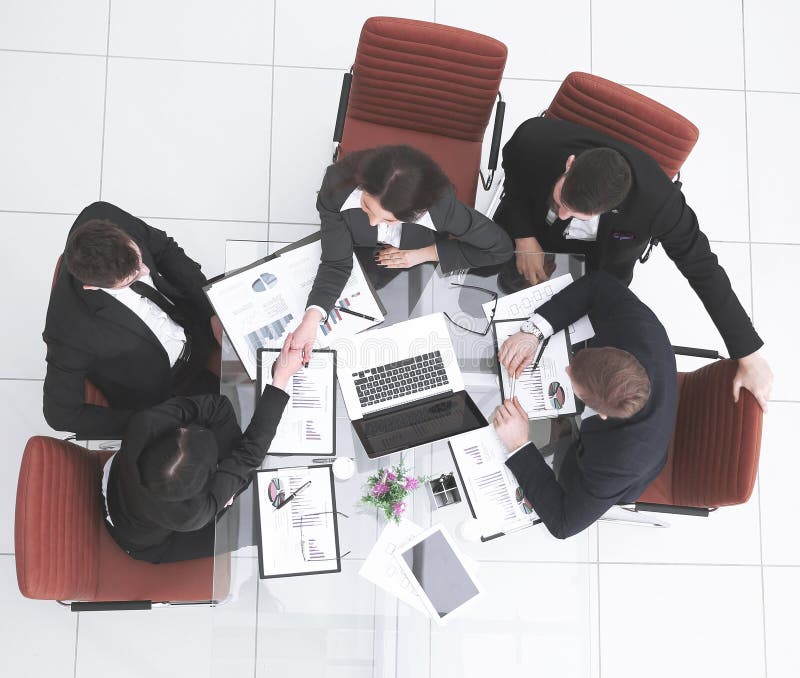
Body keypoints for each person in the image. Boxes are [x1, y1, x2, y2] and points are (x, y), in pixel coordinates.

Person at [494, 117, 772, 410]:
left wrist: (749, 353)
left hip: (602, 263)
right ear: (570, 164)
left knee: (581, 351)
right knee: (496, 280)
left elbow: (702, 267)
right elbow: (513, 174)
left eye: (574, 212)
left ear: (611, 208)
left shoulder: (661, 206)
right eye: (561, 201)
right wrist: (524, 236)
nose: (563, 214)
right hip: (532, 228)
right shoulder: (536, 139)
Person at [494, 271, 677, 539]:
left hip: (613, 466)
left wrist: (519, 445)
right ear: (615, 353)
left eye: (574, 383)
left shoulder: (616, 463)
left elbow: (563, 524)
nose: (567, 369)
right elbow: (598, 283)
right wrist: (534, 332)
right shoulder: (640, 328)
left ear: (600, 413)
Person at [289, 145, 514, 358]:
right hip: (362, 254)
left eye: (388, 219)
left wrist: (426, 253)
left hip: (414, 262)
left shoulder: (441, 207)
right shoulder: (336, 184)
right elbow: (336, 263)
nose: (373, 222)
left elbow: (500, 249)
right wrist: (311, 319)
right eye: (366, 206)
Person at [104, 333, 302, 563]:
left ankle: (231, 472)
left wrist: (232, 470)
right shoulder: (193, 514)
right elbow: (248, 457)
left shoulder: (145, 424)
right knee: (252, 513)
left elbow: (219, 407)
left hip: (118, 478)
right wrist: (280, 379)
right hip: (140, 538)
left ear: (176, 434)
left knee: (239, 470)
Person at [43, 201, 223, 439]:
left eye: (138, 260)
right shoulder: (69, 331)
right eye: (131, 278)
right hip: (172, 386)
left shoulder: (101, 214)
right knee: (246, 423)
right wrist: (150, 421)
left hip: (196, 320)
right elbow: (60, 415)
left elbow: (165, 249)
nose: (144, 271)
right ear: (91, 286)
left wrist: (210, 308)